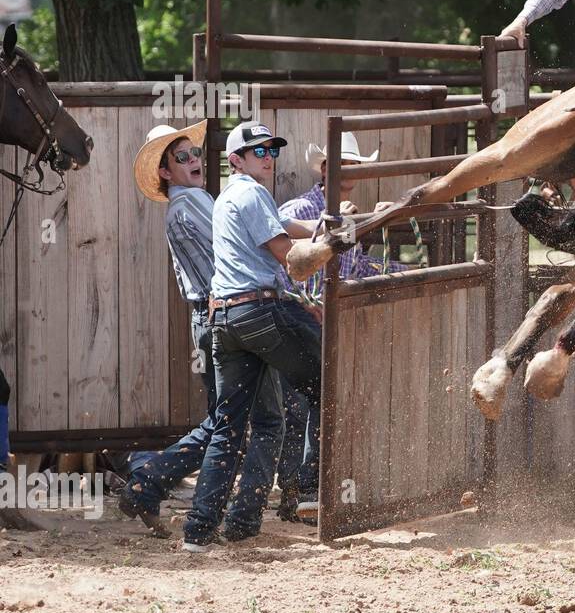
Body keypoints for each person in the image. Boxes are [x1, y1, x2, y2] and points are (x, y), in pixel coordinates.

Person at [117, 121, 283, 539]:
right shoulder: (193, 204)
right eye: (182, 157)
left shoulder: (189, 203)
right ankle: (165, 483)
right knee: (251, 421)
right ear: (165, 172)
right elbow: (238, 252)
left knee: (225, 421)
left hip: (212, 319)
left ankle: (150, 477)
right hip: (230, 312)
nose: (194, 160)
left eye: (194, 154)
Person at [181, 123, 325, 551]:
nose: (268, 156)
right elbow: (291, 257)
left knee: (234, 426)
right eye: (258, 150)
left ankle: (203, 530)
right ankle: (311, 492)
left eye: (272, 150)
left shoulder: (230, 198)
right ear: (236, 161)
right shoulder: (252, 193)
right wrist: (338, 244)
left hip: (226, 321)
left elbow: (288, 228)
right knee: (326, 382)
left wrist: (338, 225)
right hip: (260, 312)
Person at [272, 132, 403, 523]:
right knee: (301, 406)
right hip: (299, 318)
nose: (349, 171)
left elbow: (356, 268)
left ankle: (301, 492)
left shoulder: (348, 215)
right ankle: (300, 490)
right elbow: (281, 247)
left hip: (327, 324)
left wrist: (405, 273)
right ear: (325, 169)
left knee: (311, 404)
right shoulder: (300, 207)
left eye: (355, 165)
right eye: (342, 163)